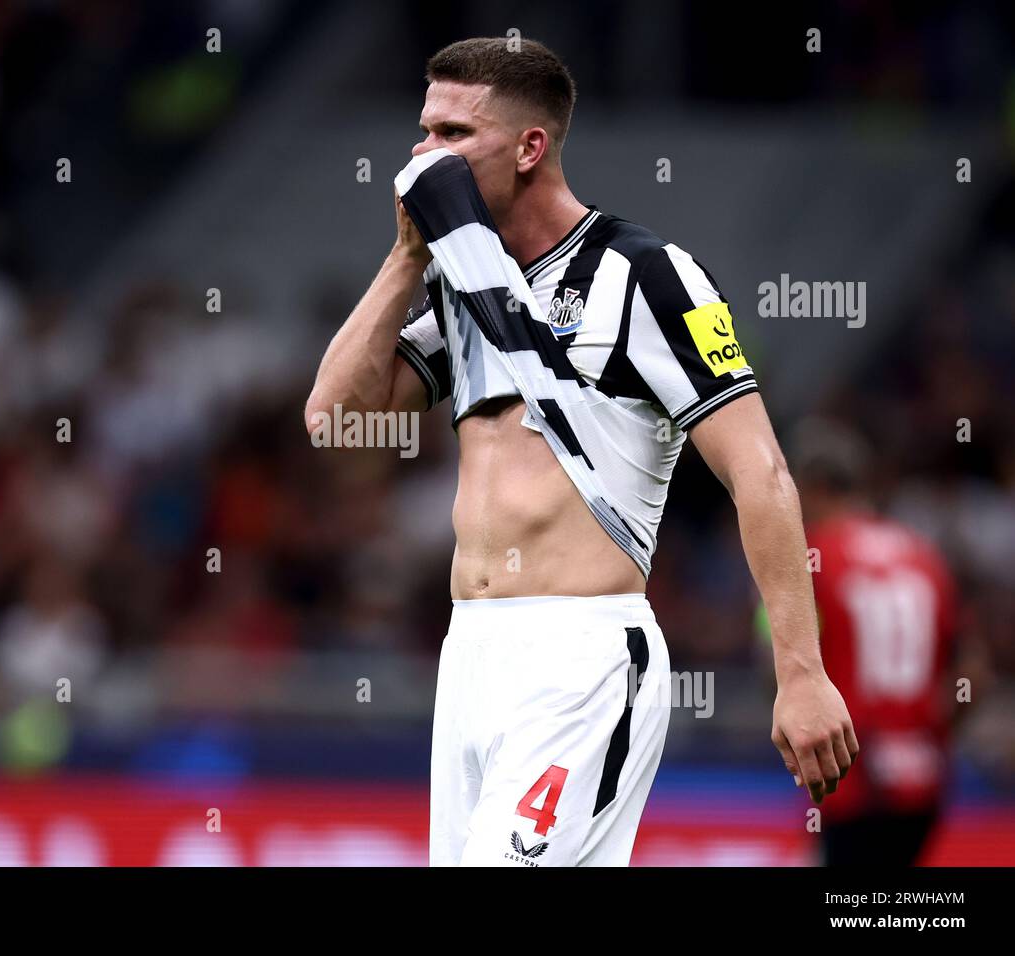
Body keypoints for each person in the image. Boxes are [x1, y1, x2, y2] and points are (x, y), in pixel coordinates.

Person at [305, 37, 857, 866]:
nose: (422, 156)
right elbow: (336, 422)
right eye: (422, 132)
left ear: (530, 147)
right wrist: (406, 256)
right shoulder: (466, 287)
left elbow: (760, 472)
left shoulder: (648, 276)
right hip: (471, 659)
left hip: (583, 658)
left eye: (452, 135)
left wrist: (801, 669)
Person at [786, 418, 957, 865]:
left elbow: (780, 654)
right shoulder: (923, 556)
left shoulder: (812, 557)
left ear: (813, 488)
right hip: (924, 781)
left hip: (854, 777)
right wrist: (928, 732)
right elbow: (970, 669)